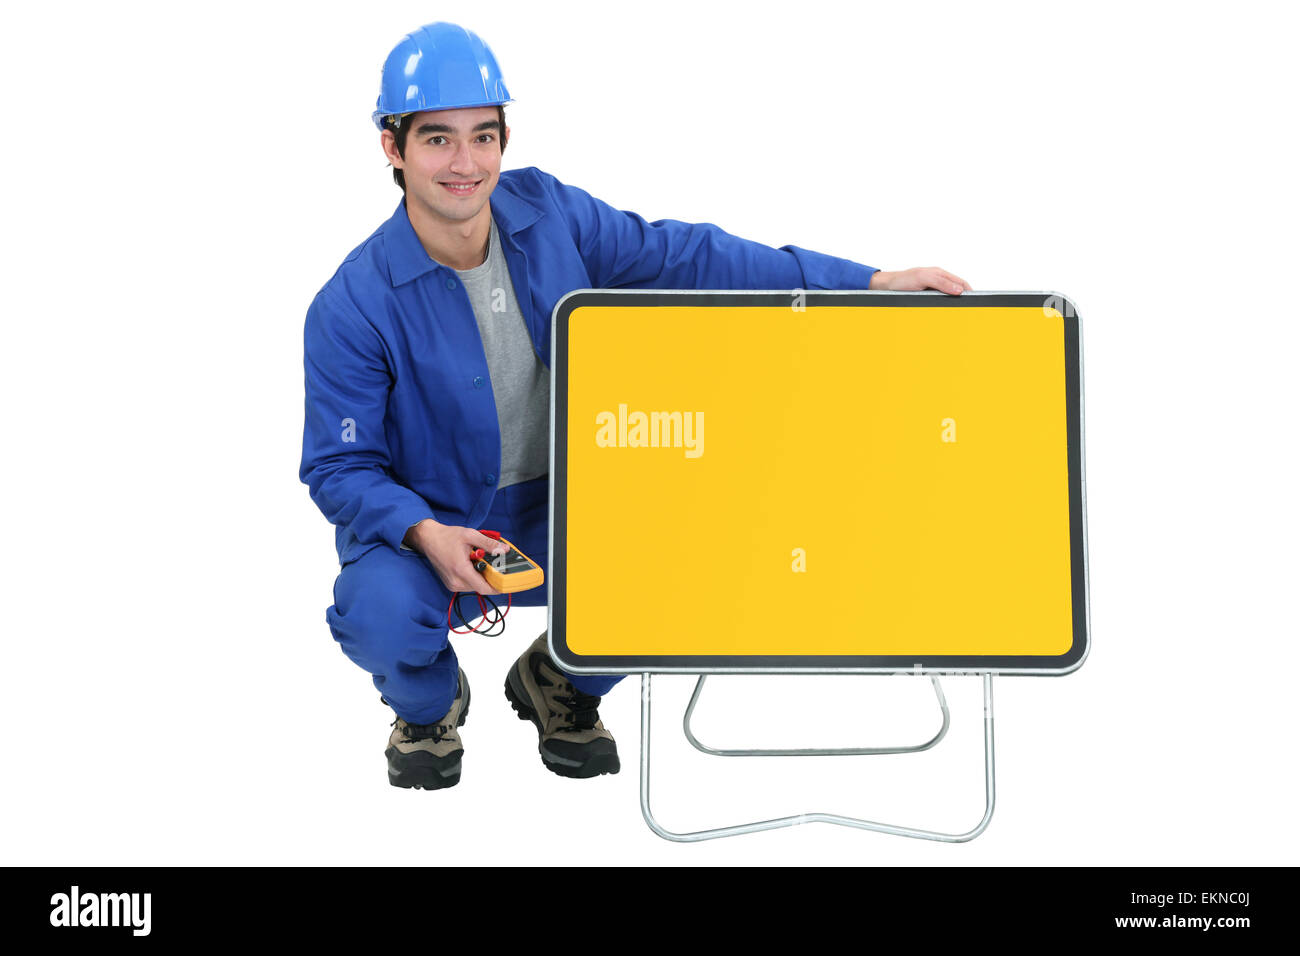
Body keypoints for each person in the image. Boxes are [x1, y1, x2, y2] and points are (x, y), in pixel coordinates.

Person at [299, 21, 971, 791]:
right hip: (439, 520)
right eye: (438, 141)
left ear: (505, 137)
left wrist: (865, 282)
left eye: (483, 137)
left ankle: (563, 680)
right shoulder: (352, 303)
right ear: (394, 148)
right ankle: (426, 707)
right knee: (379, 611)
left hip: (567, 505)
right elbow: (340, 467)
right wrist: (424, 532)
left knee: (697, 551)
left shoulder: (548, 214)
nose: (466, 164)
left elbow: (686, 256)